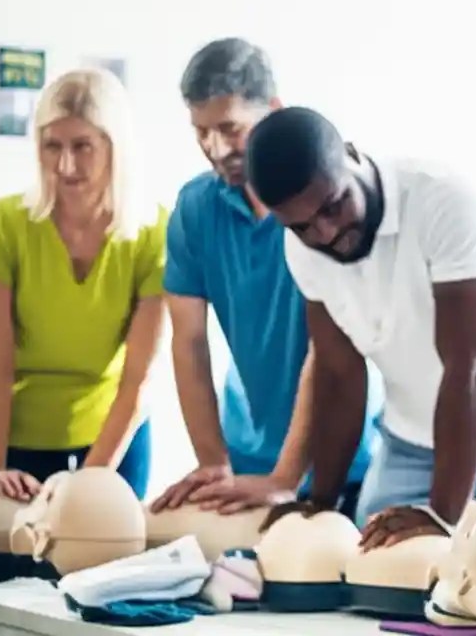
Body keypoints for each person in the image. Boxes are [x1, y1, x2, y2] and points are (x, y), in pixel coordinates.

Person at [244, 106, 476, 549]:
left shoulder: (446, 203)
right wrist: (320, 506)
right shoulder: (303, 247)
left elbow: (469, 368)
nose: (325, 234)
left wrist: (441, 516)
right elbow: (337, 374)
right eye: (302, 226)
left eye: (334, 205)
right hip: (411, 445)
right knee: (379, 566)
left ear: (351, 156)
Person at [149, 38, 380, 521]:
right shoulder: (194, 209)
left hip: (348, 454)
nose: (216, 149)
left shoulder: (322, 206)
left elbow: (330, 350)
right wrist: (213, 463)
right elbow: (188, 343)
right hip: (250, 453)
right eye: (201, 131)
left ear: (273, 110)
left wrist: (288, 477)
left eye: (230, 129)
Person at [0, 68, 164, 504]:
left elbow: (137, 380)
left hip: (114, 437)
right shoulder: (6, 222)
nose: (66, 165)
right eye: (52, 146)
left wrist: (84, 487)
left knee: (98, 561)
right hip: (15, 435)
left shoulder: (154, 231)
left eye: (83, 147)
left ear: (113, 148)